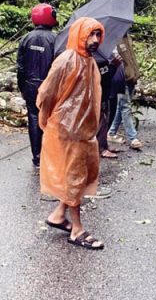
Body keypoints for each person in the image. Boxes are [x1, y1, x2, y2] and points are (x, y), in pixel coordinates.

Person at [38, 17, 105, 250]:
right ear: (79, 35)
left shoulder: (90, 62)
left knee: (80, 175)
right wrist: (46, 119)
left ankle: (58, 215)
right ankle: (77, 229)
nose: (95, 40)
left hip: (83, 131)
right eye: (90, 34)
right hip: (65, 130)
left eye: (98, 34)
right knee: (73, 177)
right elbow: (46, 93)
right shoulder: (66, 60)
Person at [16, 3, 57, 168]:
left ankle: (37, 156)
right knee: (51, 119)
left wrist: (22, 87)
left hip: (30, 86)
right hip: (50, 86)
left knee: (33, 117)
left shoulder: (25, 39)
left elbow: (20, 67)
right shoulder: (56, 39)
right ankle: (49, 155)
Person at [108, 34, 143, 150]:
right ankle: (133, 138)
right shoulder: (112, 40)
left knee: (121, 106)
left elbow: (131, 58)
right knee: (125, 107)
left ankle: (111, 132)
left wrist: (136, 75)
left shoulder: (127, 37)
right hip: (122, 78)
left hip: (131, 77)